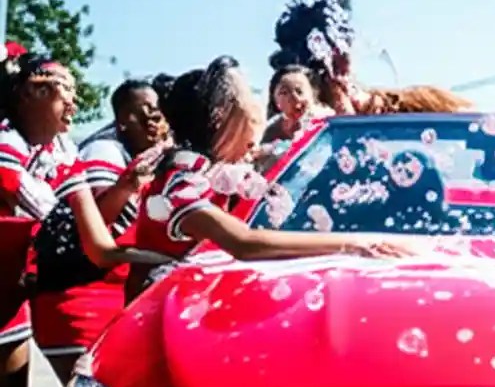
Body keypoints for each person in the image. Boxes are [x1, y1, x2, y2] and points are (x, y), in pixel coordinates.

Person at [49, 56, 414, 302]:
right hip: (161, 327)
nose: (259, 109)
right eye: (250, 99)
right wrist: (356, 244)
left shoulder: (216, 172)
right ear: (222, 118)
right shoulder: (181, 184)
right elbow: (245, 243)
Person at [28, 78, 171, 382]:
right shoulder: (103, 150)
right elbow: (97, 228)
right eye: (140, 111)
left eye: (155, 109)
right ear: (120, 121)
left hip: (111, 299)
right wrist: (127, 187)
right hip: (80, 297)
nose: (151, 118)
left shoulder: (146, 154)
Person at [0, 49, 84, 387]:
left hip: (10, 306)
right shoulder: (6, 144)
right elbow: (49, 209)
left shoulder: (55, 152)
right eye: (65, 90)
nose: (74, 102)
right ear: (32, 92)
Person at [262, 65, 333, 144]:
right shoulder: (267, 133)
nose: (295, 98)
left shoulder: (327, 120)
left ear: (312, 95)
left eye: (299, 91)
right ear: (275, 102)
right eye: (284, 93)